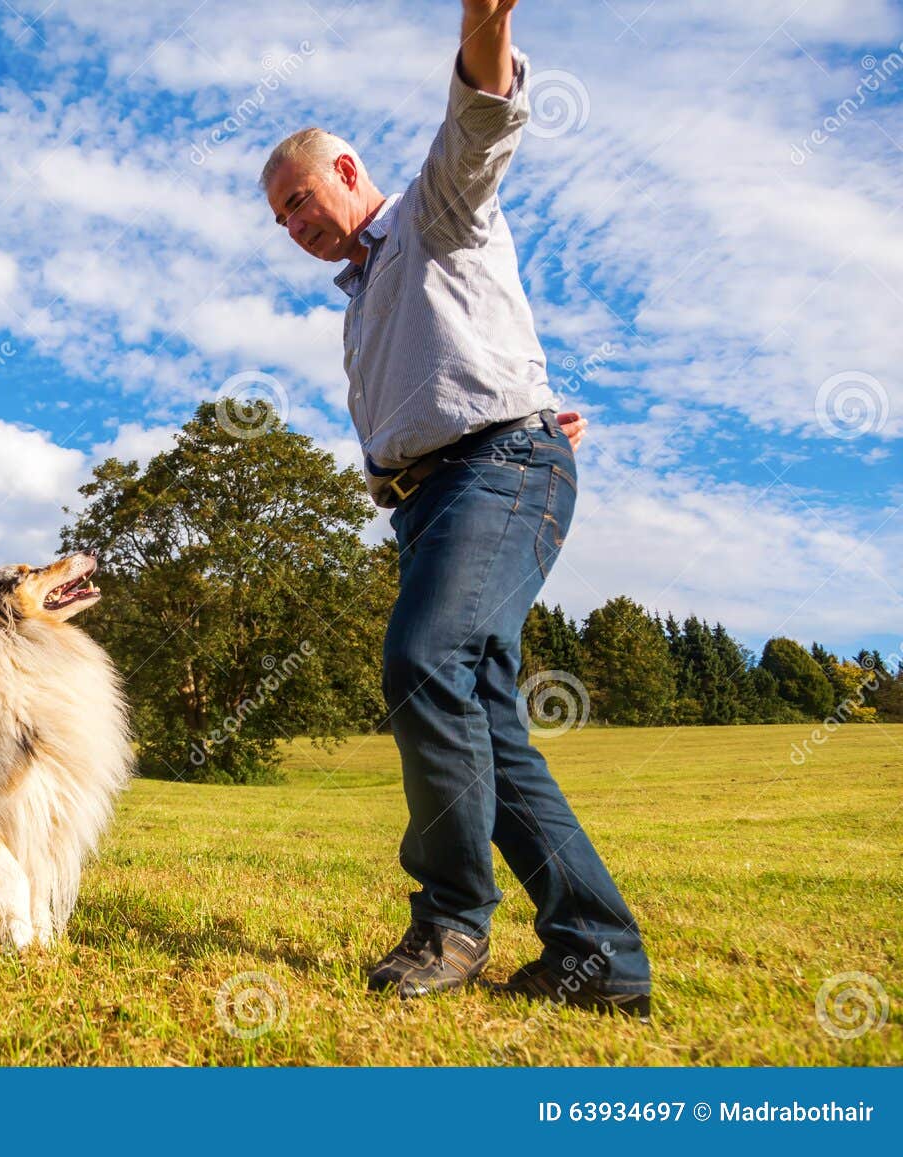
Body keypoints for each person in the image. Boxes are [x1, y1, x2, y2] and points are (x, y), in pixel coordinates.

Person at [260, 0, 651, 1017]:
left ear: (345, 171)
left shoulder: (434, 209)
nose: (298, 228)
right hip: (437, 501)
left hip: (499, 471)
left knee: (421, 661)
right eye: (284, 222)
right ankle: (597, 952)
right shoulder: (360, 302)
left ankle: (449, 918)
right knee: (483, 718)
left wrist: (486, 19)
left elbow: (481, 116)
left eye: (302, 200)